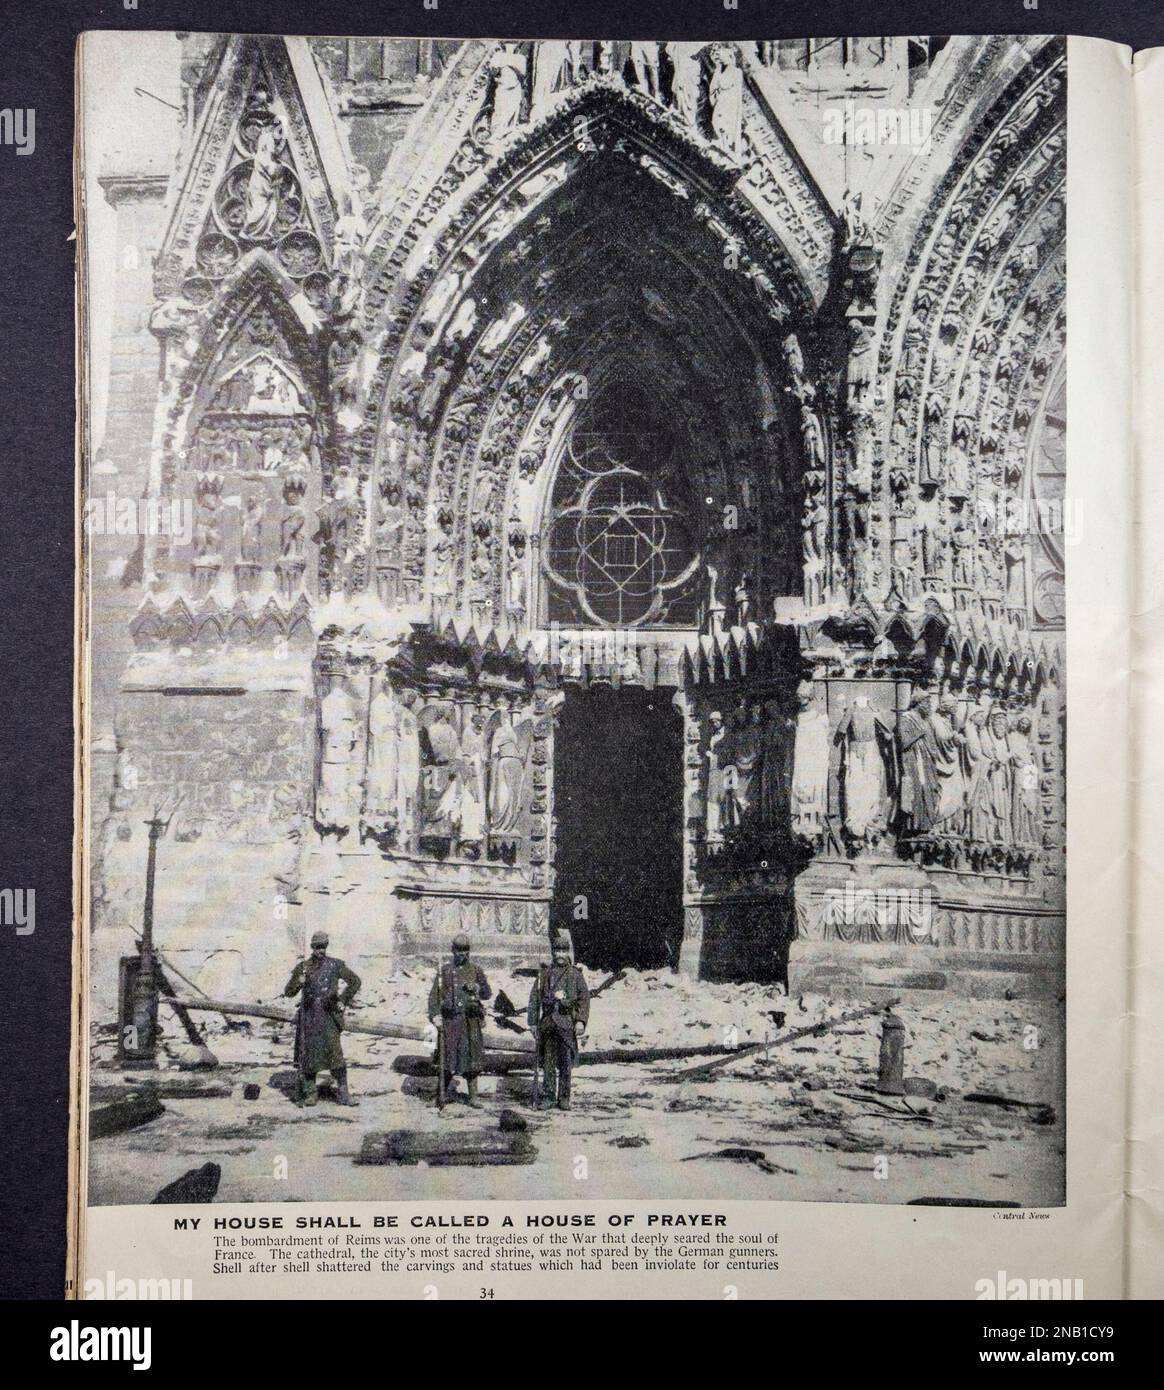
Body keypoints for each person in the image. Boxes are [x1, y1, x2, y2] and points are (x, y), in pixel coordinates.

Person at [283, 931, 361, 1108]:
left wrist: (342, 1000)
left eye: (324, 946)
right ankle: (311, 1094)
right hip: (309, 1017)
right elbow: (288, 992)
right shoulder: (303, 967)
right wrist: (298, 982)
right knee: (309, 1056)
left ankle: (343, 1094)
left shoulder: (335, 965)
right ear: (312, 947)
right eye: (318, 947)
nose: (321, 950)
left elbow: (355, 981)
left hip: (328, 1016)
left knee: (336, 1057)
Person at [428, 935, 493, 1108]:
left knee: (471, 1058)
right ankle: (440, 1094)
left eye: (465, 950)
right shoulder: (445, 971)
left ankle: (473, 1097)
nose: (461, 954)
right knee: (447, 1058)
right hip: (450, 1021)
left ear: (469, 952)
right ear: (453, 950)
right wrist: (435, 1016)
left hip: (470, 1021)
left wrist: (478, 988)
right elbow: (434, 998)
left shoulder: (476, 970)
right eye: (458, 950)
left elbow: (488, 993)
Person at [527, 936, 590, 1111]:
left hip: (566, 1024)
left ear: (567, 952)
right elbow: (534, 1000)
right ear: (552, 952)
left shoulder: (575, 975)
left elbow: (584, 999)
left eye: (563, 951)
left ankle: (564, 1098)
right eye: (557, 951)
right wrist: (532, 1023)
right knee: (548, 1063)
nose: (560, 955)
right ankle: (548, 1097)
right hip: (547, 1024)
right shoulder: (544, 974)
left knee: (565, 1063)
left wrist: (580, 1022)